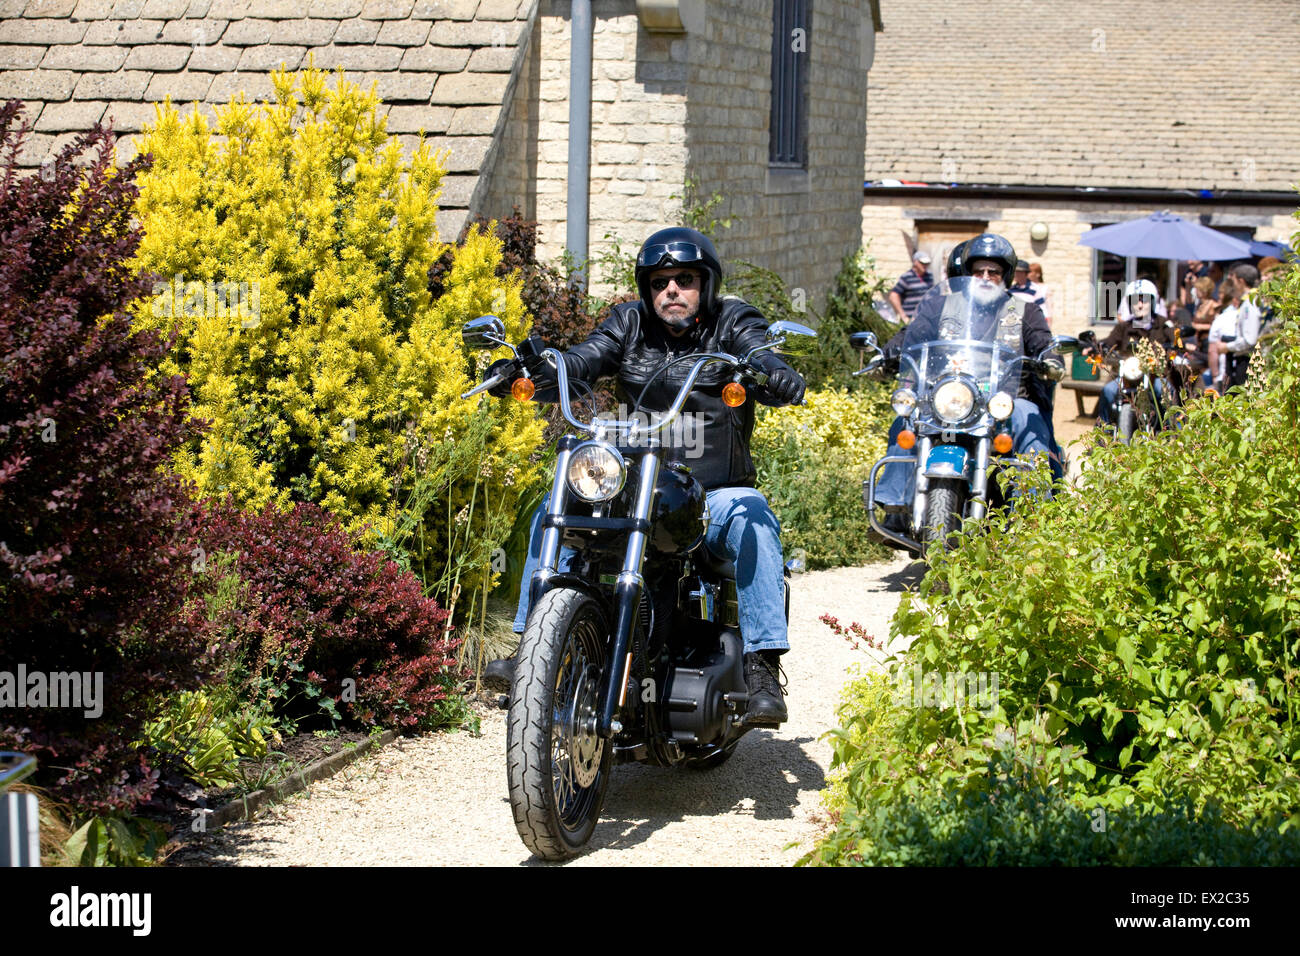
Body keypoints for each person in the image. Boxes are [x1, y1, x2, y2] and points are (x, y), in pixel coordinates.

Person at [482, 226, 805, 726]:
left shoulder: (731, 320)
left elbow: (757, 347)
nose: (671, 290)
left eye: (684, 279)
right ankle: (532, 646)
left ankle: (762, 664)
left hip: (712, 494)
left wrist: (770, 367)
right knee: (558, 503)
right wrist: (537, 372)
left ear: (707, 285)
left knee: (753, 514)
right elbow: (585, 358)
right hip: (636, 489)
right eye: (659, 282)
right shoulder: (629, 323)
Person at [873, 234, 1064, 521]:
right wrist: (885, 355)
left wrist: (1051, 359)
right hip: (951, 395)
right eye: (979, 271)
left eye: (994, 272)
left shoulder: (1025, 310)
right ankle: (896, 506)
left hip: (1005, 401)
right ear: (968, 273)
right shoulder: (941, 306)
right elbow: (911, 335)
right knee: (906, 419)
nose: (985, 277)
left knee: (1031, 420)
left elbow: (1041, 340)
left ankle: (1032, 514)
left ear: (1006, 276)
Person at [1088, 279, 1179, 425]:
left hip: (1155, 376)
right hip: (1128, 378)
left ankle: (1176, 433)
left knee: (1164, 391)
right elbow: (1108, 342)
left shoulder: (1164, 324)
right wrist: (1093, 346)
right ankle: (1102, 433)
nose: (1140, 305)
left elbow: (1177, 341)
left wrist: (1174, 347)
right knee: (1109, 391)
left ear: (1153, 302)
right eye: (1135, 301)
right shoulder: (1123, 327)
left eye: (1145, 300)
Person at [1219, 264, 1262, 388]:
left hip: (1248, 362)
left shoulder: (1251, 303)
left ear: (1241, 281)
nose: (1233, 286)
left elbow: (1250, 339)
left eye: (1234, 281)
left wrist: (1227, 346)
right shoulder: (1250, 300)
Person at [888, 251, 936, 323]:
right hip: (911, 320)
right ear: (915, 262)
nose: (925, 266)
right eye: (922, 263)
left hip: (926, 319)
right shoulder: (907, 277)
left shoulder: (929, 276)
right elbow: (893, 296)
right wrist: (903, 316)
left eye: (927, 264)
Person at [1009, 259, 1051, 326]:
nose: (1015, 274)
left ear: (1025, 273)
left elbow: (1042, 310)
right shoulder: (1011, 289)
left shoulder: (1035, 289)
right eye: (1014, 271)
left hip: (1030, 326)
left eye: (1018, 271)